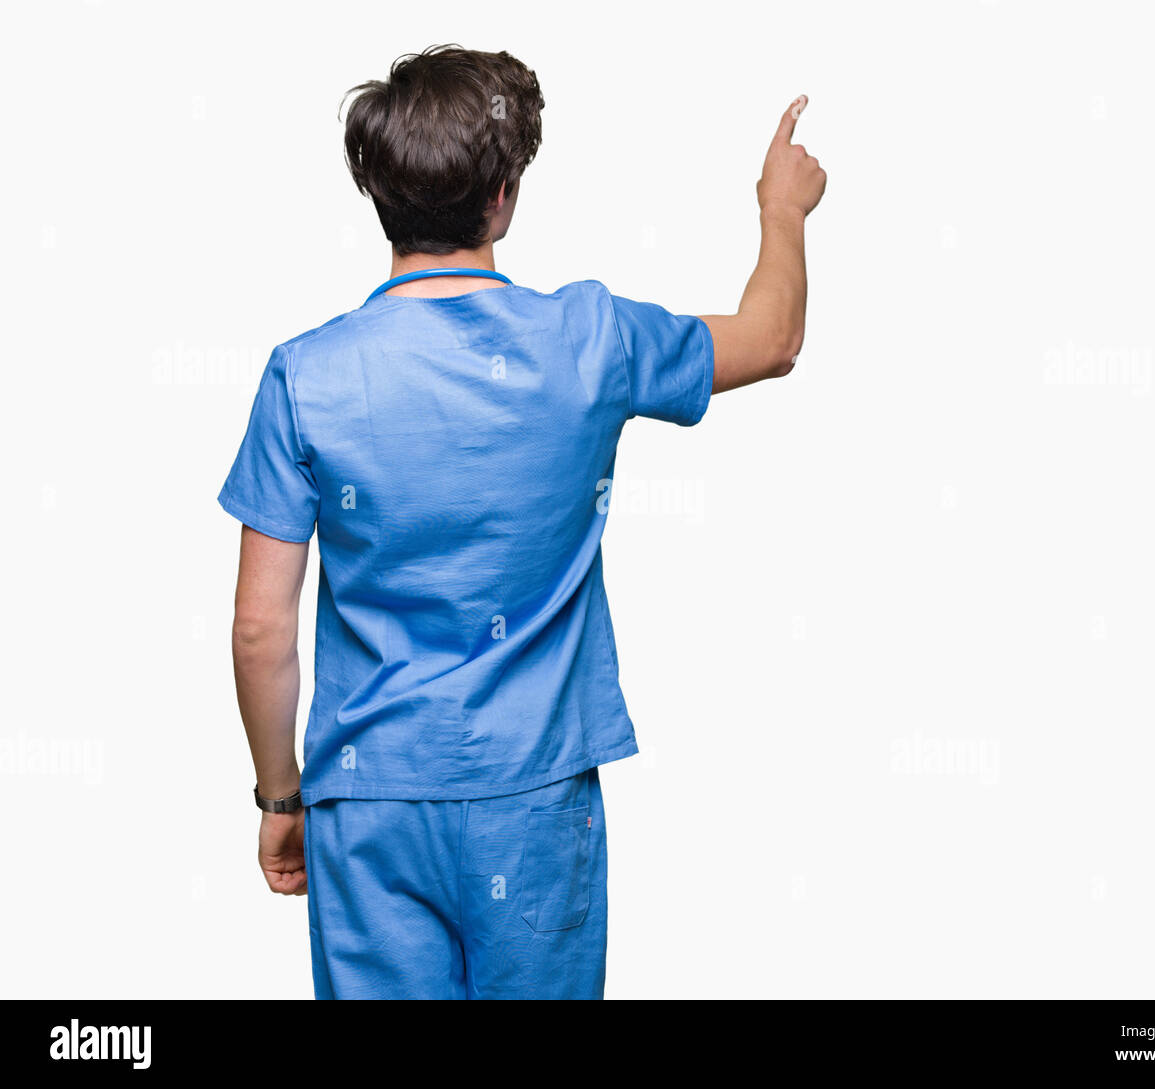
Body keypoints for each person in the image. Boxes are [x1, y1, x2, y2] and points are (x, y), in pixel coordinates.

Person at [220, 44, 826, 999]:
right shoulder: (591, 340)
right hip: (535, 804)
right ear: (503, 194)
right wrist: (780, 209)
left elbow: (261, 629)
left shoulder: (307, 375)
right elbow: (773, 339)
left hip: (368, 802)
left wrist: (280, 795)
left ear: (377, 193)